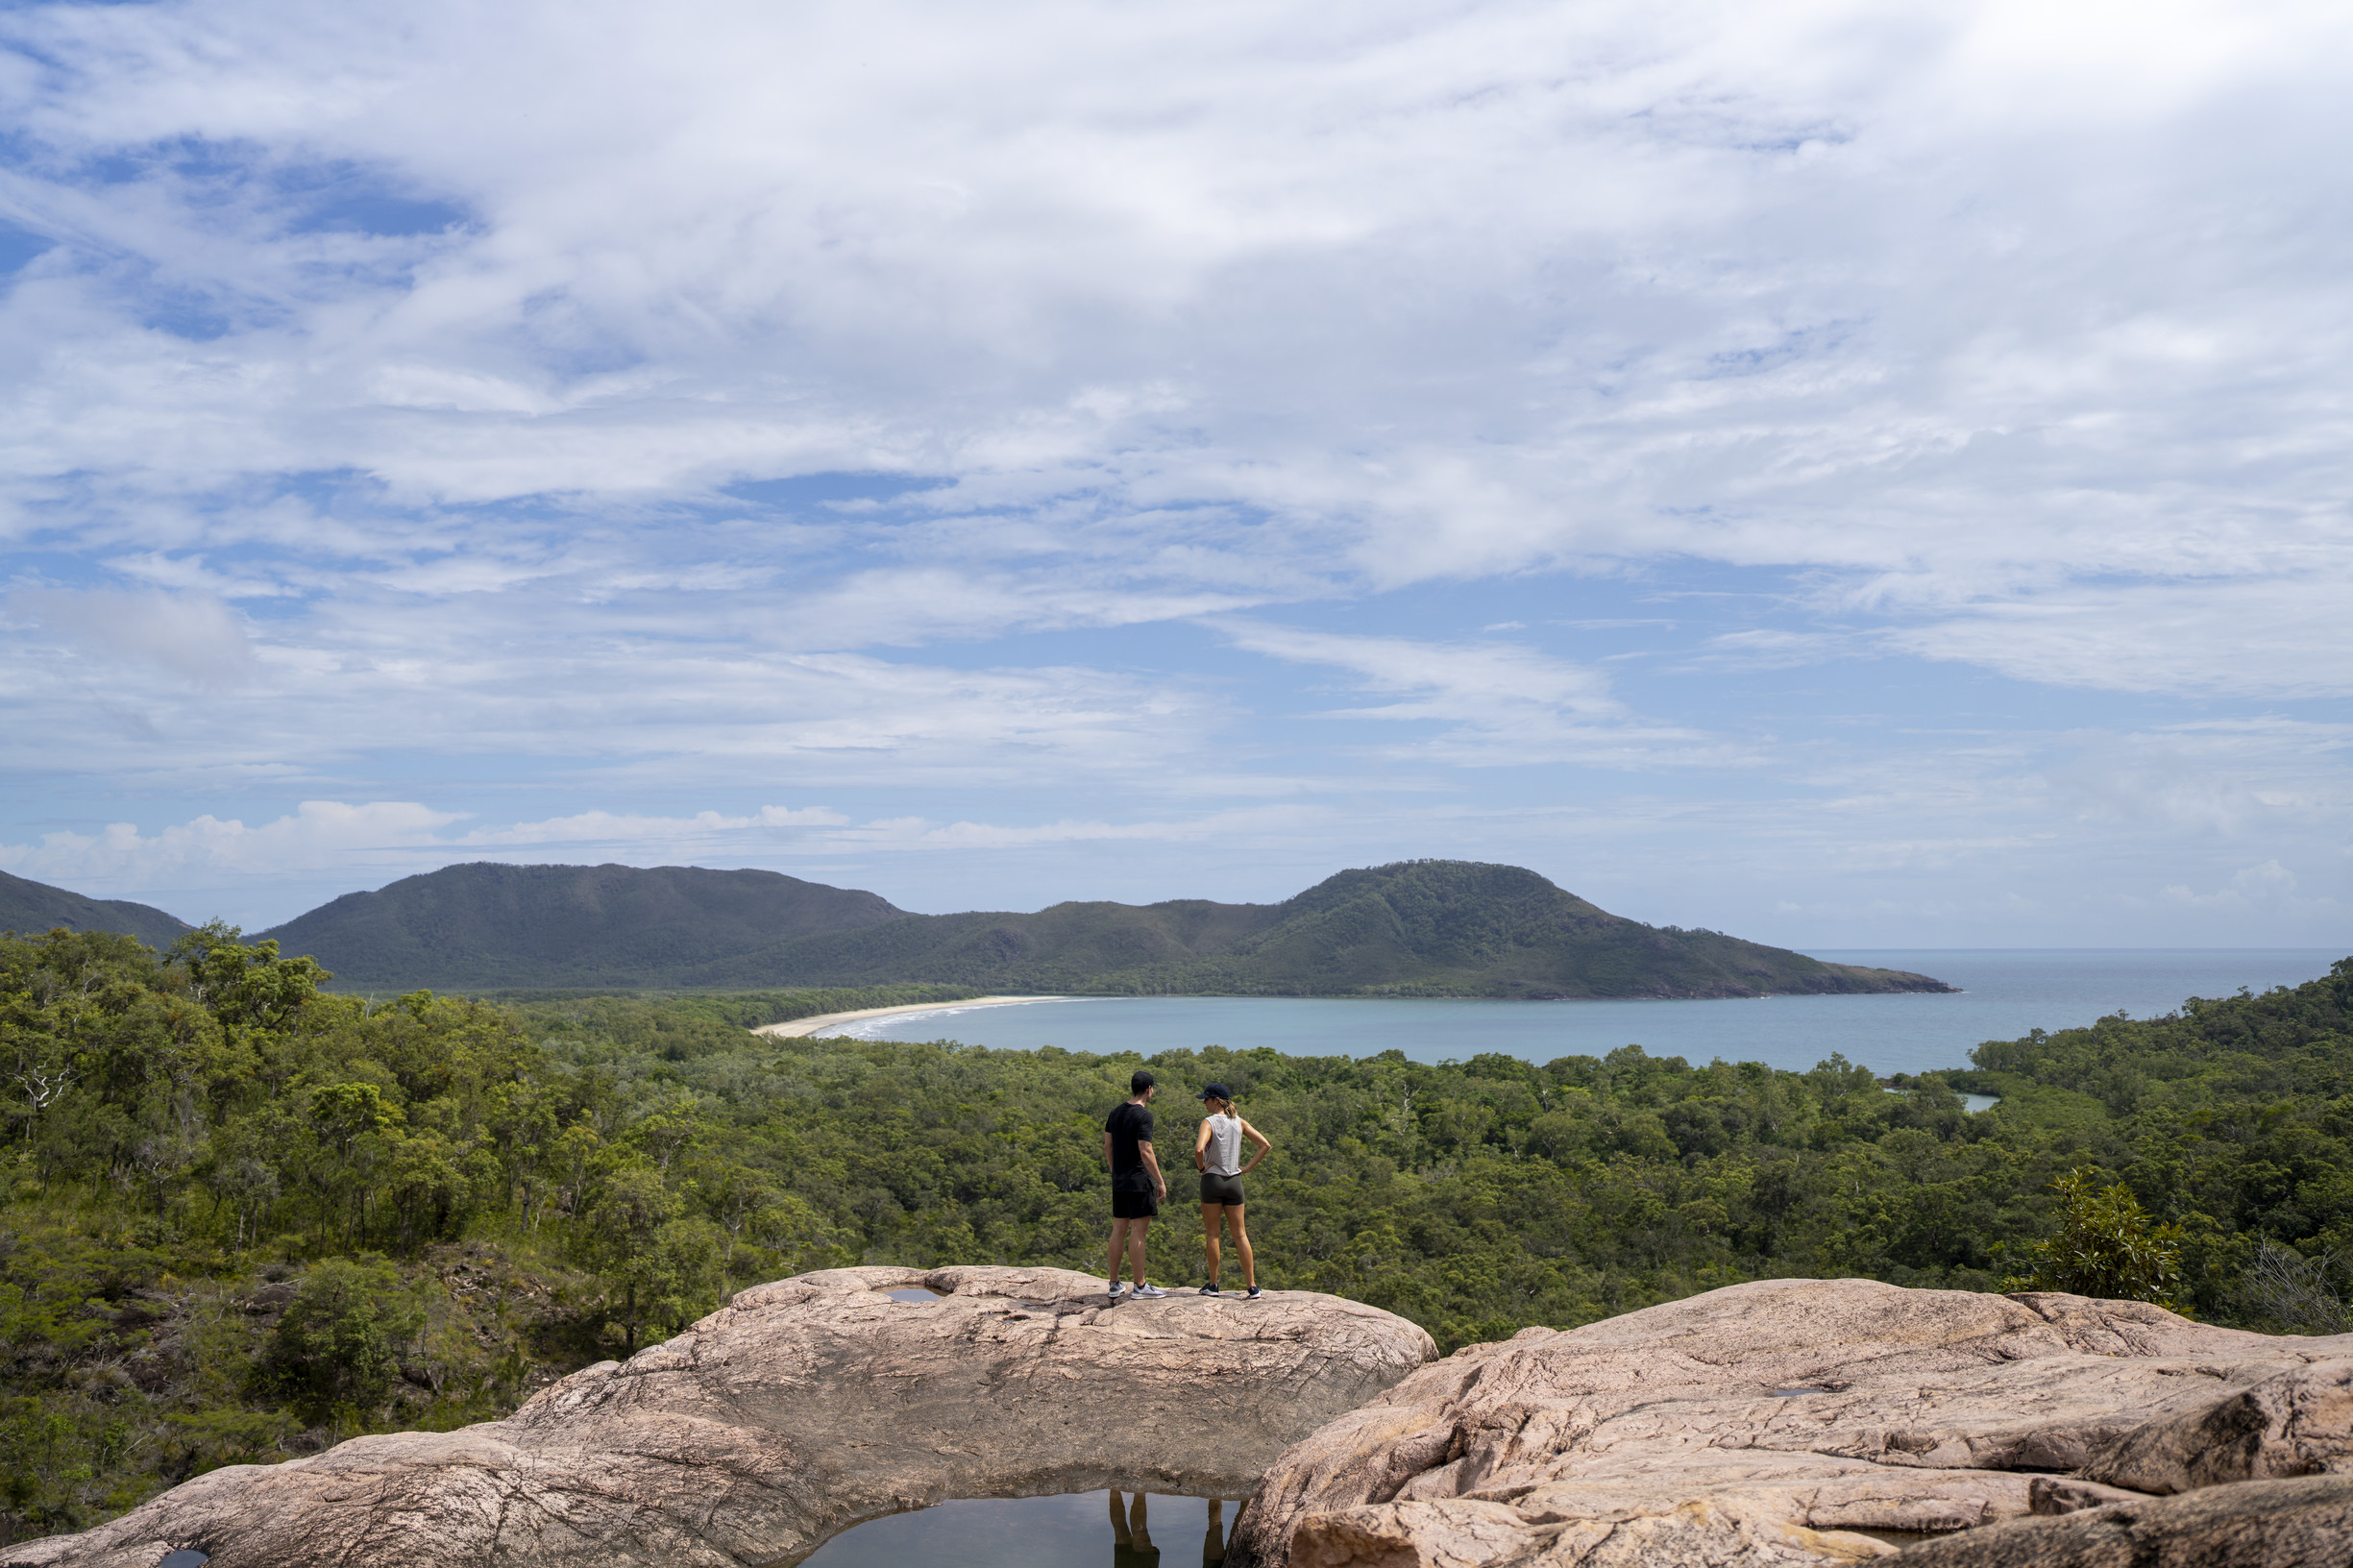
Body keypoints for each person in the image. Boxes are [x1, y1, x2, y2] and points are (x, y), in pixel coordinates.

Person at [1192, 1082, 1270, 1298]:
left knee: (1213, 1234)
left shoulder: (1209, 1122)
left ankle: (1214, 1285)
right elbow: (1265, 1145)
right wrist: (1245, 1168)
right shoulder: (1239, 1122)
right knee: (1240, 1234)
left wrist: (1201, 1167)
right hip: (1235, 1182)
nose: (1204, 1103)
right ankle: (1252, 1286)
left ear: (1216, 1100)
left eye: (1206, 1099)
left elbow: (1199, 1149)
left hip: (1212, 1181)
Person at [1104, 1069, 1168, 1299]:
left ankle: (1114, 1284)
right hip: (1139, 1182)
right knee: (1138, 1233)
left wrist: (1116, 1171)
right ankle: (1140, 1286)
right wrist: (1160, 1181)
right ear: (1149, 1089)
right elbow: (1146, 1150)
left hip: (1119, 1181)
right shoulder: (1144, 1116)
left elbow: (1108, 1147)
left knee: (1118, 1231)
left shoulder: (1115, 1112)